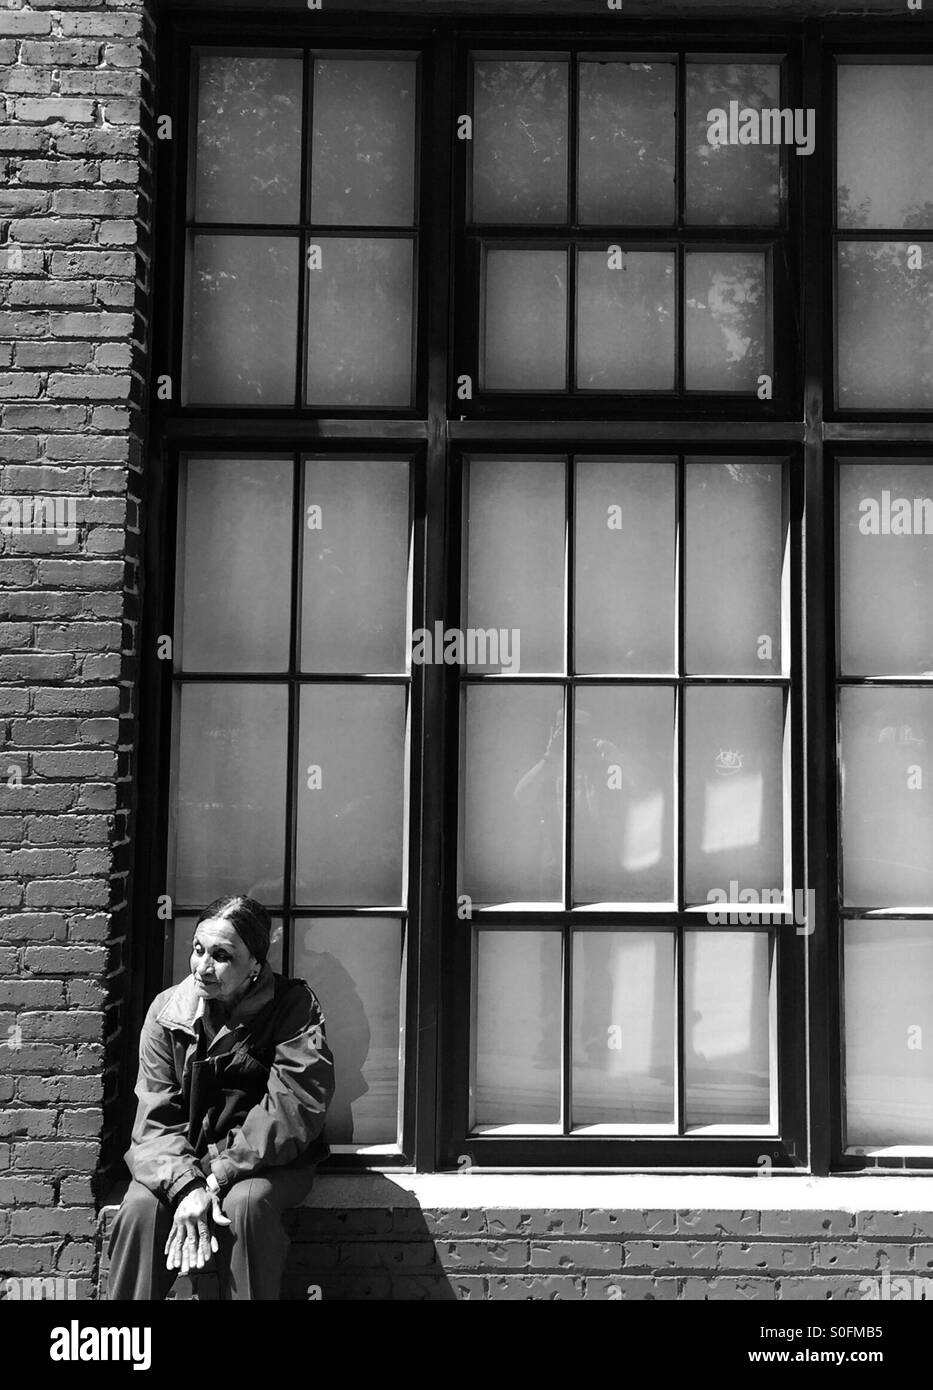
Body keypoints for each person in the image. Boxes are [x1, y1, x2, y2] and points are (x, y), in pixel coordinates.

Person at [107, 894, 335, 1301]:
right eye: (198, 950)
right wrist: (186, 1185)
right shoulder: (168, 1011)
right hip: (186, 1160)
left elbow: (295, 1107)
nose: (203, 967)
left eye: (221, 955)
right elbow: (155, 1116)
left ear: (255, 965)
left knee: (247, 1205)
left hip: (268, 1163)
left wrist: (220, 1175)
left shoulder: (293, 1007)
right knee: (141, 1208)